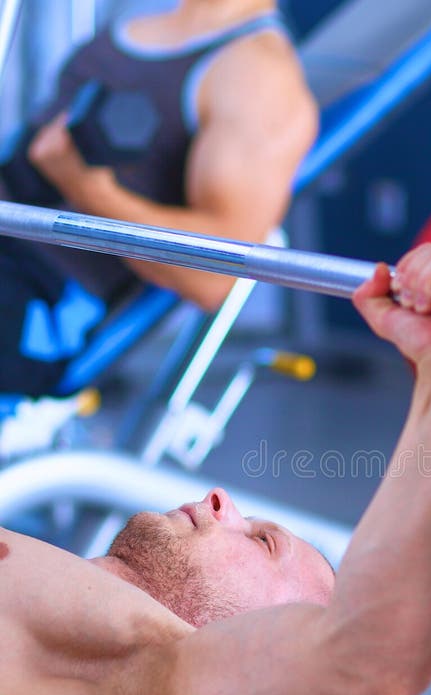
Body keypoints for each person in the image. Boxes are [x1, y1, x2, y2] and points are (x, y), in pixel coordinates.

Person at [0, 243, 431, 695]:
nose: (221, 499)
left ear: (268, 647)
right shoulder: (68, 614)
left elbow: (369, 656)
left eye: (262, 543)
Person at [0, 0, 318, 397]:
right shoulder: (146, 20)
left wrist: (90, 191)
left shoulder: (260, 78)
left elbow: (213, 275)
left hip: (40, 291)